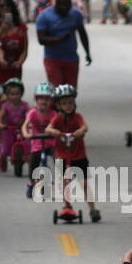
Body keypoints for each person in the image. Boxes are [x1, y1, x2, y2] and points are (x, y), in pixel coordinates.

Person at [45, 83, 99, 222]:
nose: (68, 106)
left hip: (78, 156)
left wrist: (80, 131)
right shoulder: (57, 118)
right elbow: (48, 129)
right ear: (58, 105)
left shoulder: (77, 117)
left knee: (84, 183)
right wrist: (55, 131)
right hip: (62, 156)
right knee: (65, 182)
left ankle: (92, 209)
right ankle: (67, 206)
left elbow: (84, 127)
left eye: (70, 102)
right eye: (64, 103)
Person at [35, 0, 90, 89]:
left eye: (68, 6)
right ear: (56, 4)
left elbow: (82, 34)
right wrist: (60, 39)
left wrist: (87, 53)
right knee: (56, 90)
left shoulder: (75, 14)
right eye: (62, 6)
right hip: (52, 58)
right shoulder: (44, 16)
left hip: (71, 58)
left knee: (70, 91)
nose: (65, 9)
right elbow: (41, 39)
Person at [22, 81, 58, 198]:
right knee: (33, 163)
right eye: (40, 99)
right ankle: (31, 183)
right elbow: (25, 125)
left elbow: (58, 126)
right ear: (36, 100)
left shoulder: (54, 114)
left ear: (52, 101)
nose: (43, 101)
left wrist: (57, 133)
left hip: (51, 142)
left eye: (47, 99)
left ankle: (62, 182)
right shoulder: (32, 113)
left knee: (58, 160)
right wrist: (27, 134)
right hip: (37, 142)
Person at [0, 0, 28, 84]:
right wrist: (1, 31)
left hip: (14, 70)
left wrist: (20, 62)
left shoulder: (21, 27)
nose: (5, 8)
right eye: (2, 6)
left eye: (8, 5)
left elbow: (25, 50)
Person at [0, 78, 29, 173]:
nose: (15, 97)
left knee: (27, 144)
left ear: (21, 94)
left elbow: (30, 114)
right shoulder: (5, 106)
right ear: (7, 95)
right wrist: (0, 124)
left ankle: (29, 160)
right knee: (5, 148)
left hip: (21, 129)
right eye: (12, 94)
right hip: (8, 130)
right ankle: (2, 159)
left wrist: (31, 121)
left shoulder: (24, 105)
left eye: (17, 94)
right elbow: (0, 117)